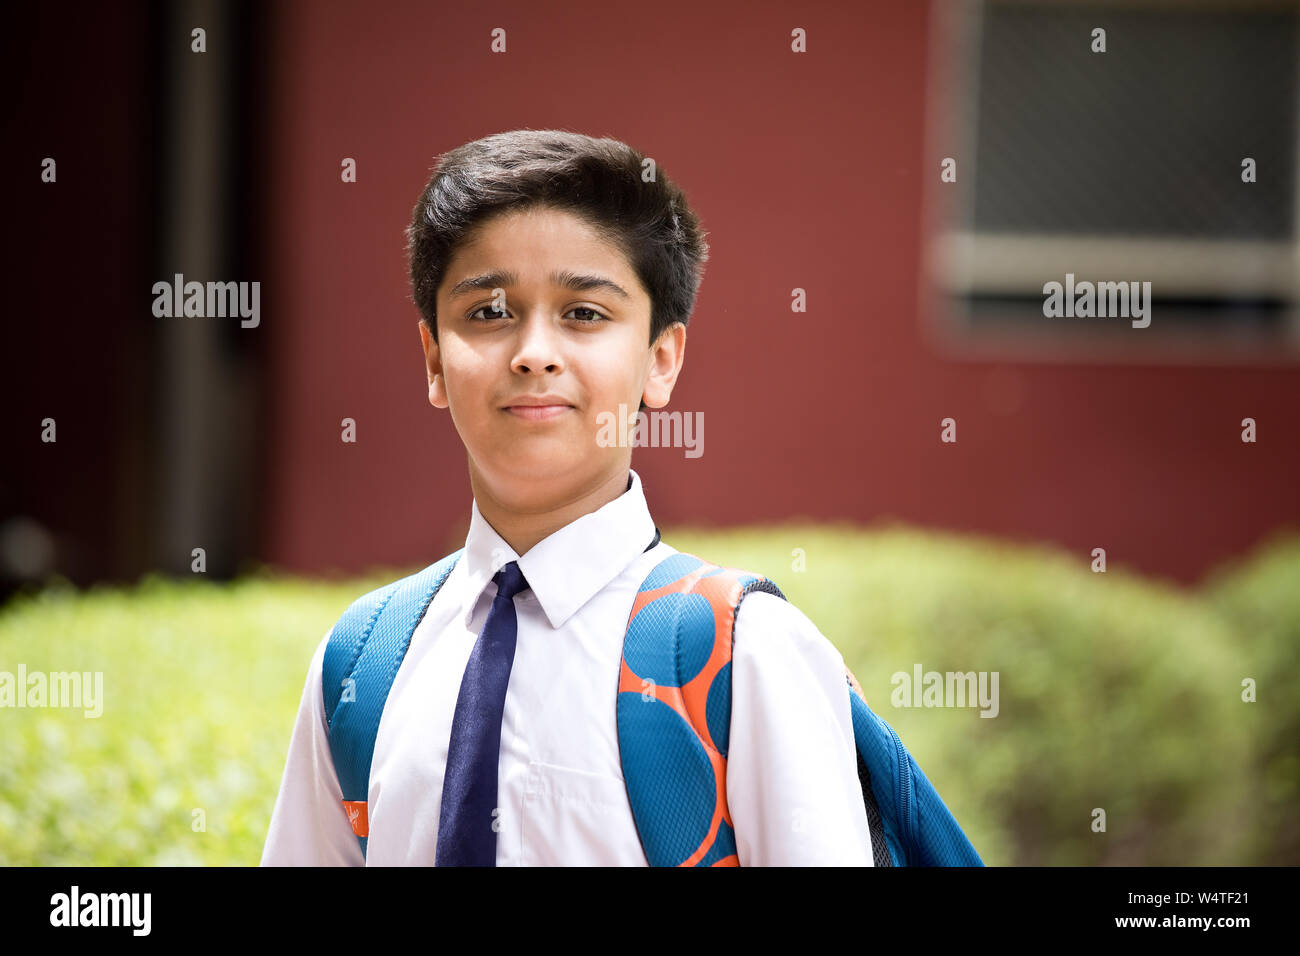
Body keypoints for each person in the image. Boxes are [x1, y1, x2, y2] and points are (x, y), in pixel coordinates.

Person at [260, 129, 873, 866]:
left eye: (584, 313)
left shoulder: (747, 655)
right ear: (433, 359)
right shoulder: (364, 660)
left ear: (661, 361)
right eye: (488, 312)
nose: (533, 352)